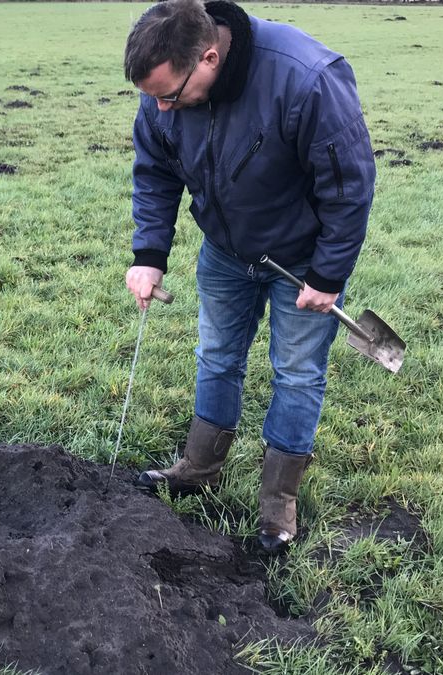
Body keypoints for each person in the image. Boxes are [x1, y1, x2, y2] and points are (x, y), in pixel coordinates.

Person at [123, 0, 376, 554]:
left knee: (297, 372)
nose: (162, 109)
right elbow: (156, 170)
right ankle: (197, 469)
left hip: (301, 262)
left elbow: (348, 183)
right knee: (215, 356)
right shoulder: (165, 96)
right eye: (152, 98)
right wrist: (149, 254)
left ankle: (277, 509)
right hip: (225, 250)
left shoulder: (305, 79)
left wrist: (328, 275)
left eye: (170, 95)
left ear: (209, 56)